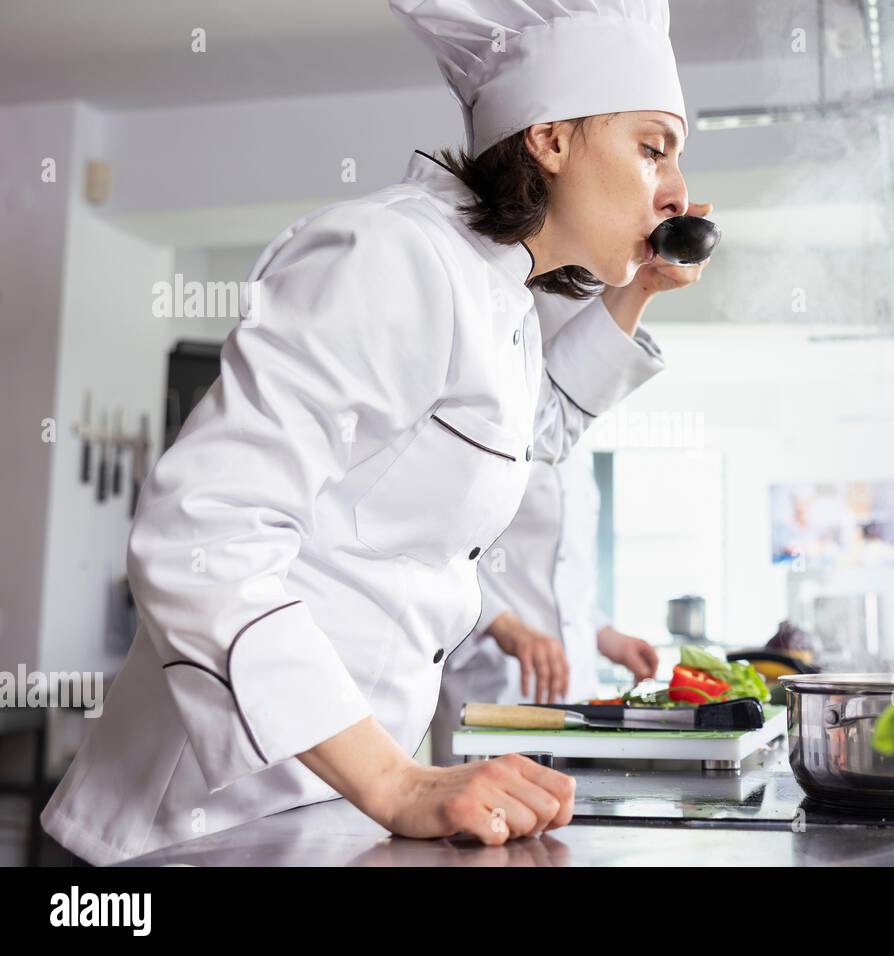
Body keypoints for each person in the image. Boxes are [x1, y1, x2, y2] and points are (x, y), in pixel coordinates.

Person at [41, 0, 708, 865]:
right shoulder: (393, 255)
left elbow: (531, 433)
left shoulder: (500, 297)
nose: (678, 193)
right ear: (550, 139)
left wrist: (637, 289)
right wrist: (394, 779)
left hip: (329, 810)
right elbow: (200, 535)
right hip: (182, 828)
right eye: (653, 147)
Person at [428, 293, 661, 766]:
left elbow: (557, 576)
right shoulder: (476, 429)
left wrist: (604, 634)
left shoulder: (570, 447)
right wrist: (504, 624)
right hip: (493, 687)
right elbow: (436, 549)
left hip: (573, 695)